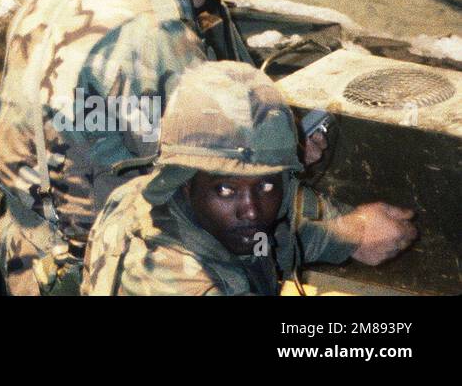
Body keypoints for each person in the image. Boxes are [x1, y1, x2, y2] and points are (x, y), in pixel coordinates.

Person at [0, 0, 264, 295]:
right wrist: (335, 230)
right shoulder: (150, 28)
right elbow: (213, 182)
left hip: (29, 253)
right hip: (96, 272)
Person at [81, 62, 417, 295]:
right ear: (184, 181)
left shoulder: (146, 197)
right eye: (226, 189)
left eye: (267, 185)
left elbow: (263, 243)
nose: (252, 210)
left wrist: (349, 235)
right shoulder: (174, 280)